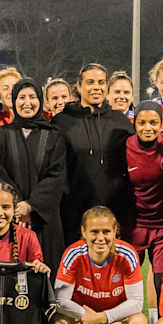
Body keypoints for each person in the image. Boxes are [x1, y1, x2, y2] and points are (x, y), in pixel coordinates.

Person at [52, 207, 148, 324]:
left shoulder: (127, 254)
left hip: (116, 319)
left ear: (115, 232)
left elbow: (137, 303)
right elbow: (60, 301)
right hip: (83, 318)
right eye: (94, 232)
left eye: (106, 232)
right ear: (83, 232)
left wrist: (104, 317)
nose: (100, 238)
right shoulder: (73, 254)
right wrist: (101, 321)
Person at [0, 78, 69, 265]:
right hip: (10, 219)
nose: (27, 103)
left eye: (32, 97)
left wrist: (31, 206)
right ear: (14, 101)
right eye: (21, 97)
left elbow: (57, 175)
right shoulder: (2, 135)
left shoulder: (54, 135)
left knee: (45, 277)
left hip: (45, 220)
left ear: (40, 101)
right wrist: (16, 206)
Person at [52, 64, 133, 242]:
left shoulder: (120, 122)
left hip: (112, 214)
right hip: (73, 215)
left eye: (101, 82)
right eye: (90, 82)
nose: (96, 87)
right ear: (79, 87)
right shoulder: (61, 122)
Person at [123, 103, 163, 324]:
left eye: (154, 122)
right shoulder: (124, 146)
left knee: (162, 279)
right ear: (134, 123)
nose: (148, 127)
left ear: (161, 124)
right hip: (134, 223)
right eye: (142, 122)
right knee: (130, 277)